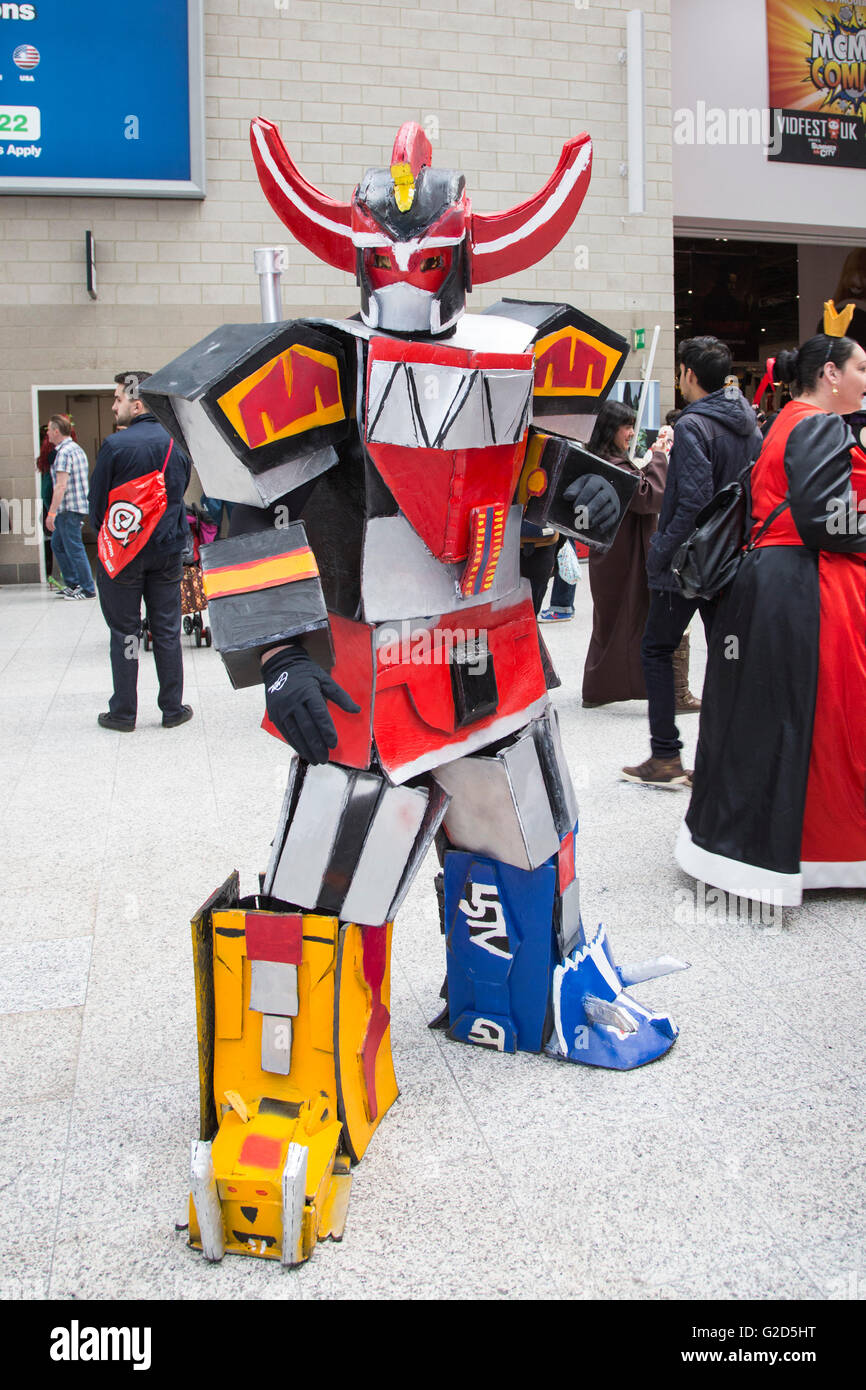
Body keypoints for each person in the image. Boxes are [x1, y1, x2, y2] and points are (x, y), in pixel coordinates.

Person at [676, 333, 866, 904]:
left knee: (769, 720)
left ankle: (758, 849)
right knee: (820, 719)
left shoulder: (786, 420)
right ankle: (821, 852)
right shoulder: (820, 425)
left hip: (777, 585)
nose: (865, 379)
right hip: (811, 591)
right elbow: (823, 520)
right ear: (830, 373)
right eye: (861, 368)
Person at [622, 336, 763, 786]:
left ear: (686, 374)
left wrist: (661, 552)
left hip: (688, 563)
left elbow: (693, 501)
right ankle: (720, 761)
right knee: (727, 656)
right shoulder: (749, 423)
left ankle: (665, 755)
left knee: (657, 649)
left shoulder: (693, 426)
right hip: (733, 557)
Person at [89, 371, 193, 732]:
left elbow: (98, 506)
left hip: (124, 555)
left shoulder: (115, 446)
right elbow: (181, 493)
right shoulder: (177, 444)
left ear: (137, 404)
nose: (114, 405)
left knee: (126, 633)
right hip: (167, 552)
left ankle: (123, 712)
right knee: (166, 630)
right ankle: (172, 708)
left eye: (118, 399)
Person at [579, 401, 668, 705]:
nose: (631, 433)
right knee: (620, 619)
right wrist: (659, 457)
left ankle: (605, 687)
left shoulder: (604, 460)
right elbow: (647, 497)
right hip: (621, 555)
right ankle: (604, 687)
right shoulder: (610, 465)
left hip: (615, 554)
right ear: (610, 429)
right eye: (626, 426)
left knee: (614, 621)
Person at [44, 415, 96, 600]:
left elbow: (61, 485)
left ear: (57, 431)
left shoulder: (64, 453)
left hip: (69, 509)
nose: (47, 433)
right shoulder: (76, 449)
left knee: (74, 547)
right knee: (58, 544)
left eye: (49, 429)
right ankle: (73, 583)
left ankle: (88, 588)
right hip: (75, 507)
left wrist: (51, 513)